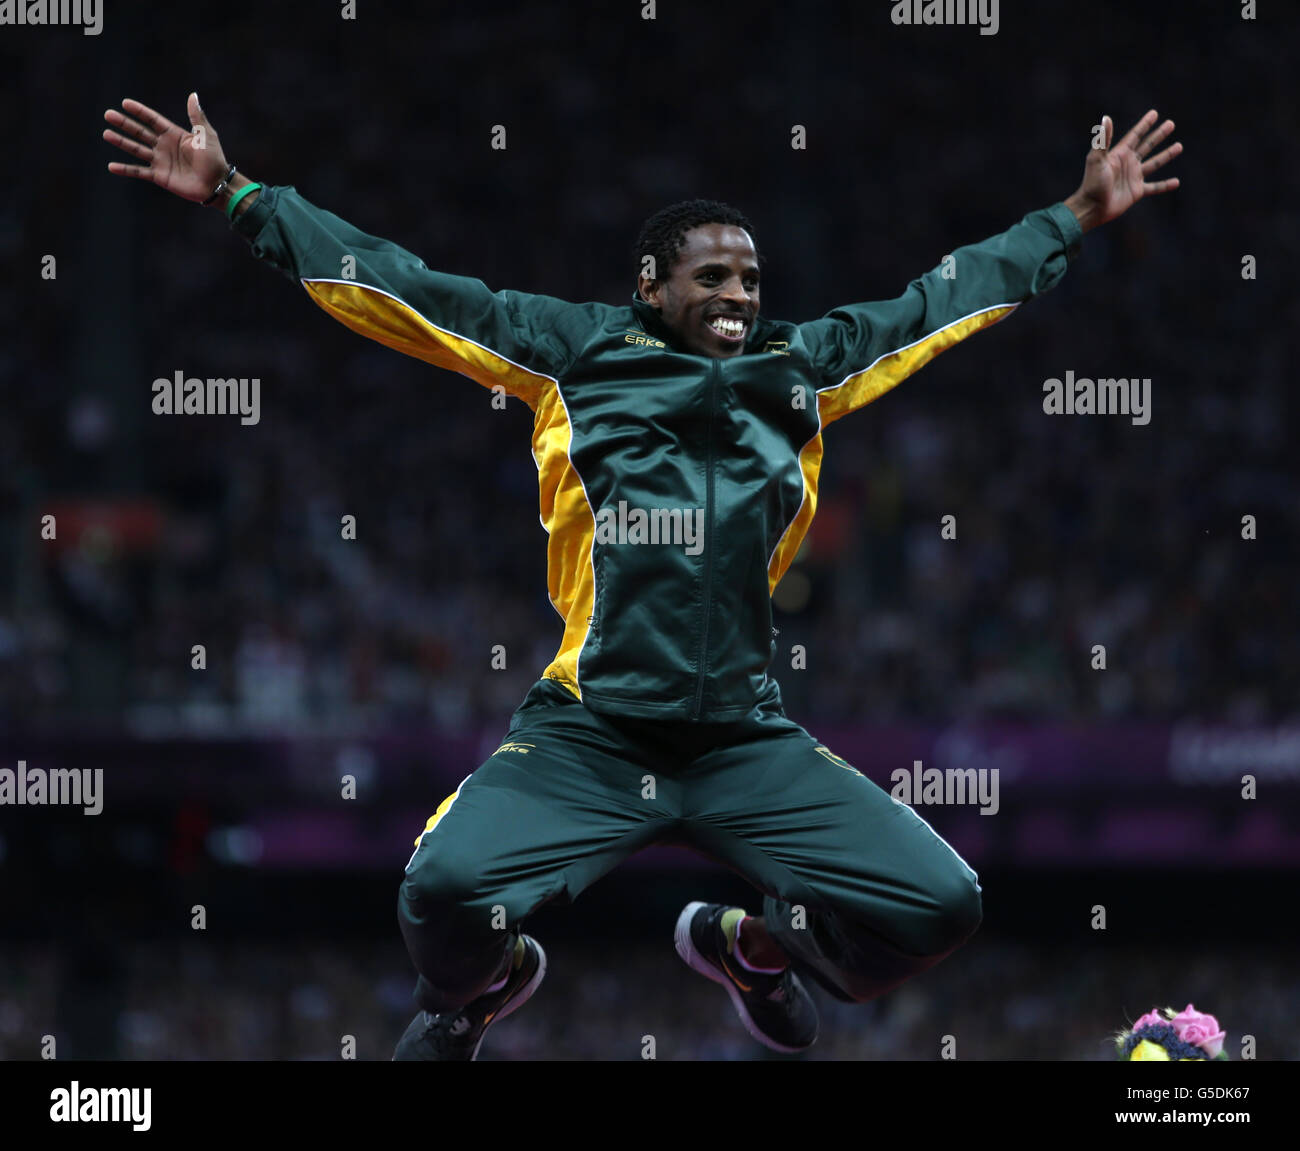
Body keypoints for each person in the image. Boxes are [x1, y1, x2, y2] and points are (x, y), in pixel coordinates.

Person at [104, 94, 1181, 1060]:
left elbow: (941, 301)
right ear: (650, 285)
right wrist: (243, 197)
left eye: (751, 278)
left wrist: (1071, 218)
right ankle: (481, 992)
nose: (737, 295)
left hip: (738, 736)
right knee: (439, 894)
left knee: (940, 904)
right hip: (593, 729)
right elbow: (399, 285)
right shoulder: (568, 353)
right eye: (711, 275)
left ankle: (753, 946)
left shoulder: (800, 371)